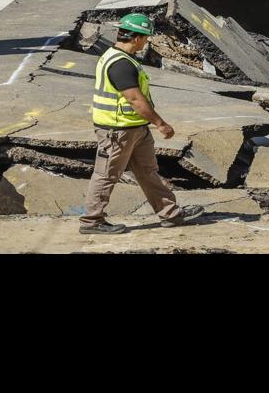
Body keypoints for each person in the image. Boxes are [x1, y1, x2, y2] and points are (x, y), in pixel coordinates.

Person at [79, 13, 207, 234]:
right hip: (117, 131)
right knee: (106, 175)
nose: (146, 42)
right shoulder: (120, 64)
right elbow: (135, 99)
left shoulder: (120, 57)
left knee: (148, 172)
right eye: (146, 38)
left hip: (134, 128)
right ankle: (92, 221)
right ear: (137, 38)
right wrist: (161, 124)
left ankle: (170, 214)